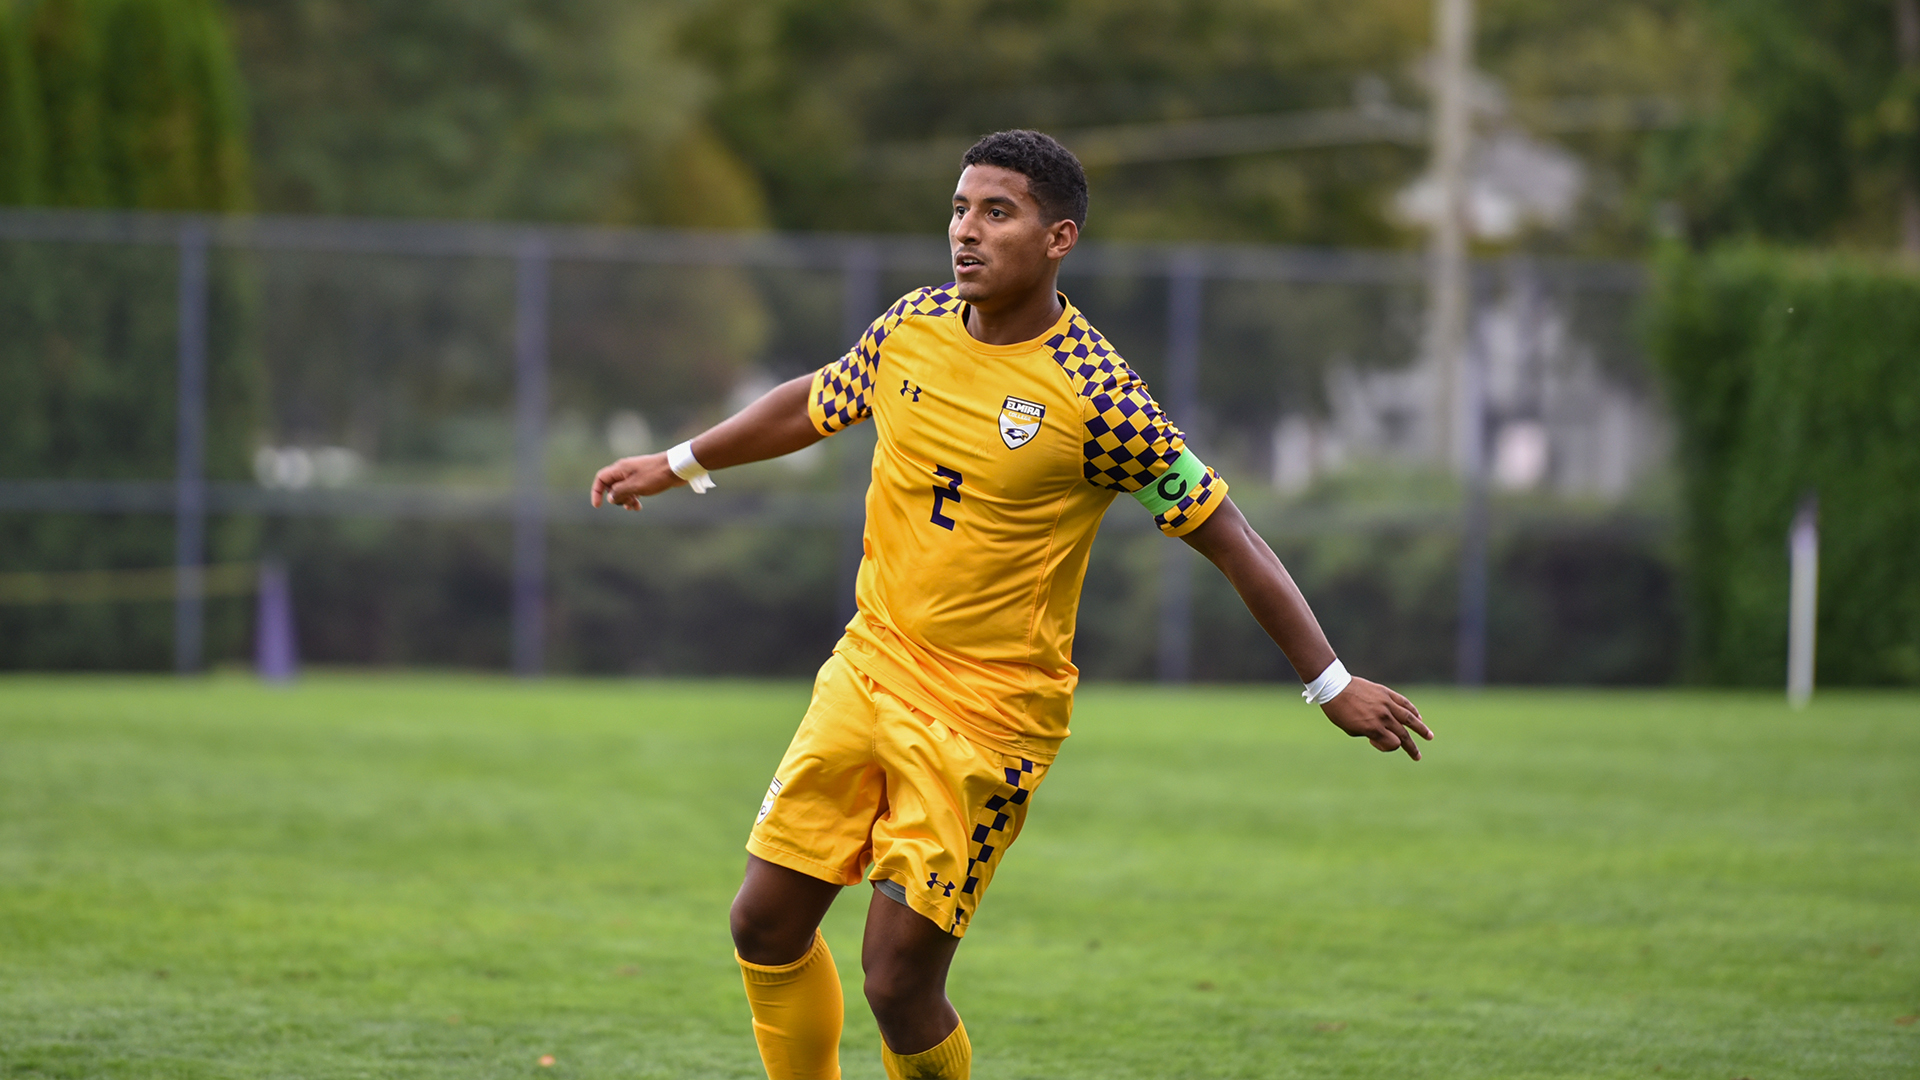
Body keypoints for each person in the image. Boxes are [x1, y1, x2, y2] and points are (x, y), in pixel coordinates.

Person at [590, 129, 1431, 1080]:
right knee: (762, 921)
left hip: (990, 718)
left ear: (1059, 237)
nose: (967, 232)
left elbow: (1228, 533)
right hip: (867, 668)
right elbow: (817, 399)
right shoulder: (912, 325)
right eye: (959, 208)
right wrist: (678, 462)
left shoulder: (1101, 399)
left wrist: (1331, 684)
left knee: (896, 983)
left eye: (998, 212)